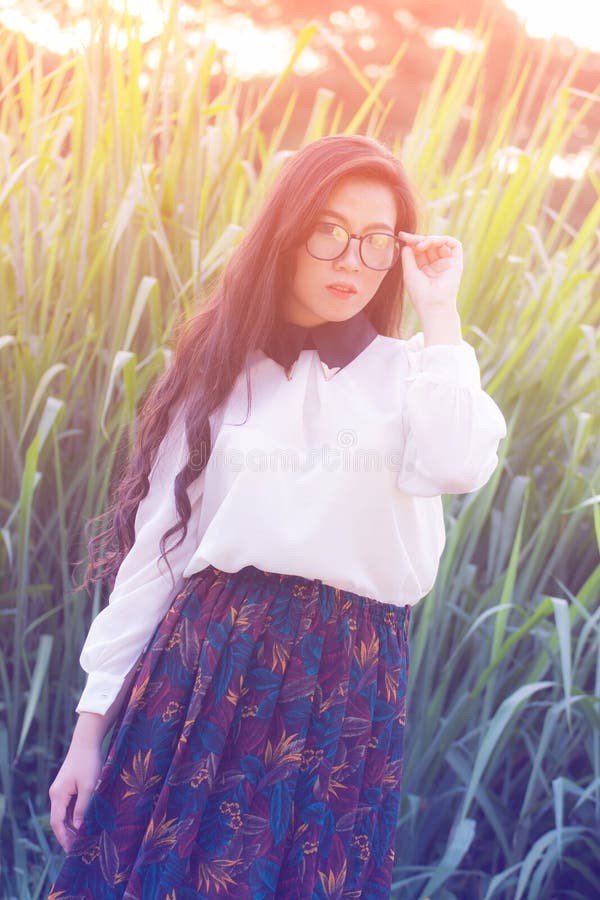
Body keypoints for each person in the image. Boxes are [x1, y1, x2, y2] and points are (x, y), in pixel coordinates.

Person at [48, 133, 506, 899]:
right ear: (287, 233)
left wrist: (440, 312)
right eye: (329, 230)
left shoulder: (419, 375)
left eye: (375, 241)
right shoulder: (222, 374)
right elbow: (160, 551)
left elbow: (460, 464)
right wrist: (89, 729)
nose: (350, 259)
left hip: (345, 689)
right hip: (205, 670)